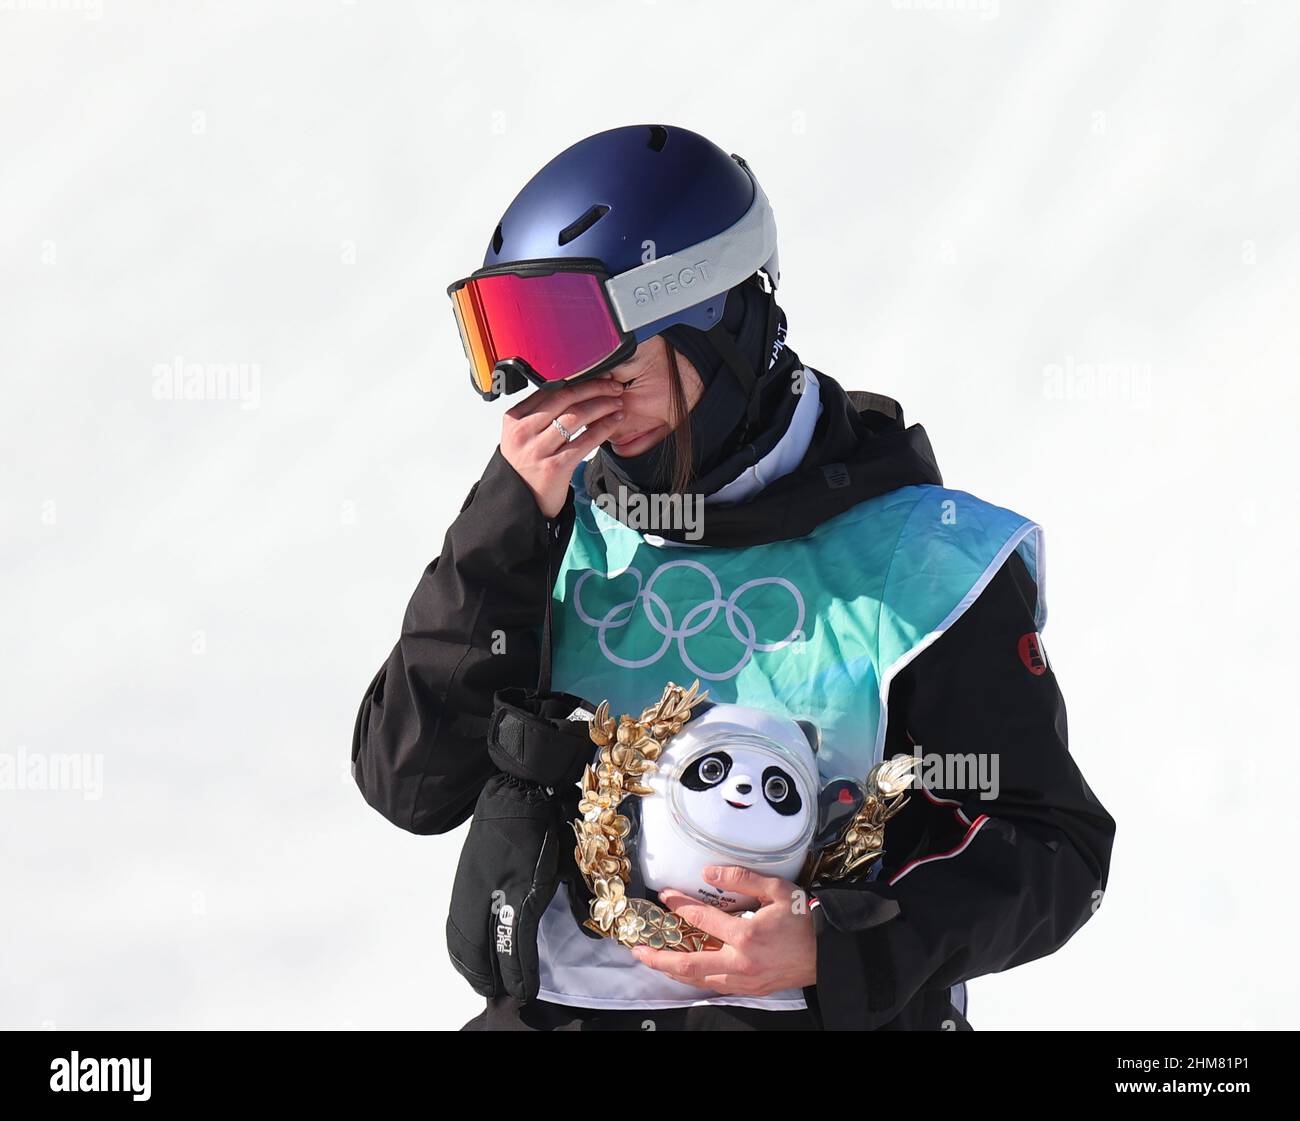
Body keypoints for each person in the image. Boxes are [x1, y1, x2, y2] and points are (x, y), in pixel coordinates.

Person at [351, 124, 1116, 1031]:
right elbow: (410, 783)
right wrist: (504, 528)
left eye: (615, 376)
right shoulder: (545, 530)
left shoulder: (922, 563)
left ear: (719, 327)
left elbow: (1053, 848)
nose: (577, 416)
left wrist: (842, 944)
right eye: (550, 385)